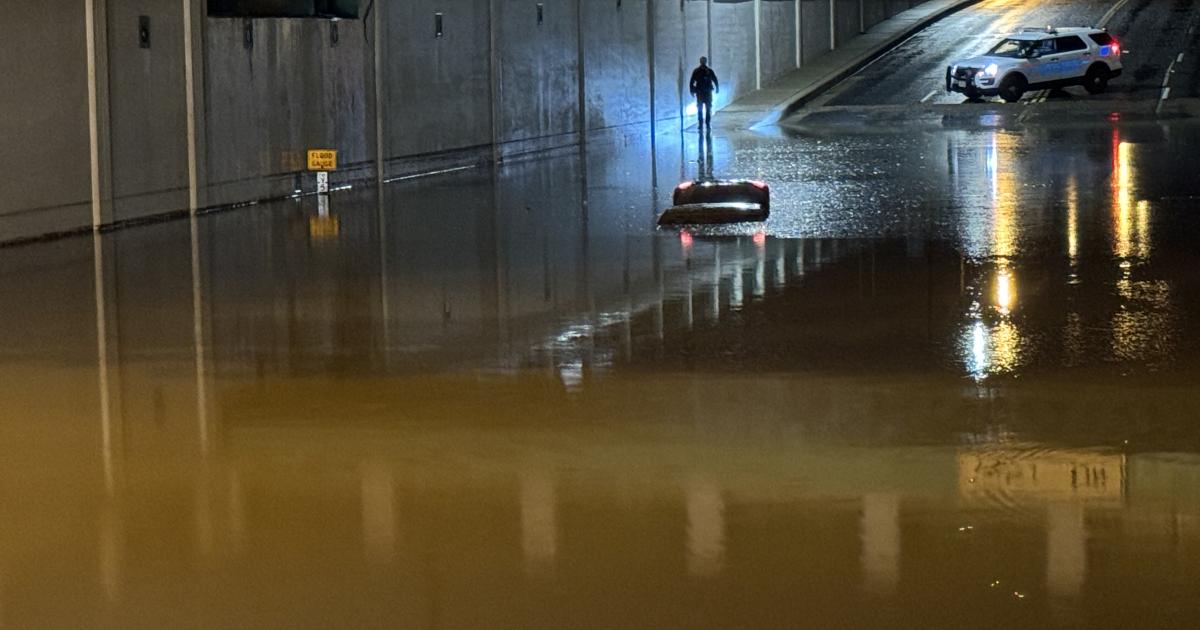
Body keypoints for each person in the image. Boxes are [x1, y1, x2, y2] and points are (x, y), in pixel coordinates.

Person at [689, 57, 719, 129]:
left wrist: (717, 87)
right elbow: (692, 81)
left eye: (704, 61)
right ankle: (701, 123)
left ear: (705, 62)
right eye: (702, 61)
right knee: (700, 108)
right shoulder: (697, 71)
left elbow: (714, 79)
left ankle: (707, 123)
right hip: (700, 93)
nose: (703, 62)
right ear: (700, 62)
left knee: (708, 108)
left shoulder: (709, 71)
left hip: (707, 92)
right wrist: (692, 91)